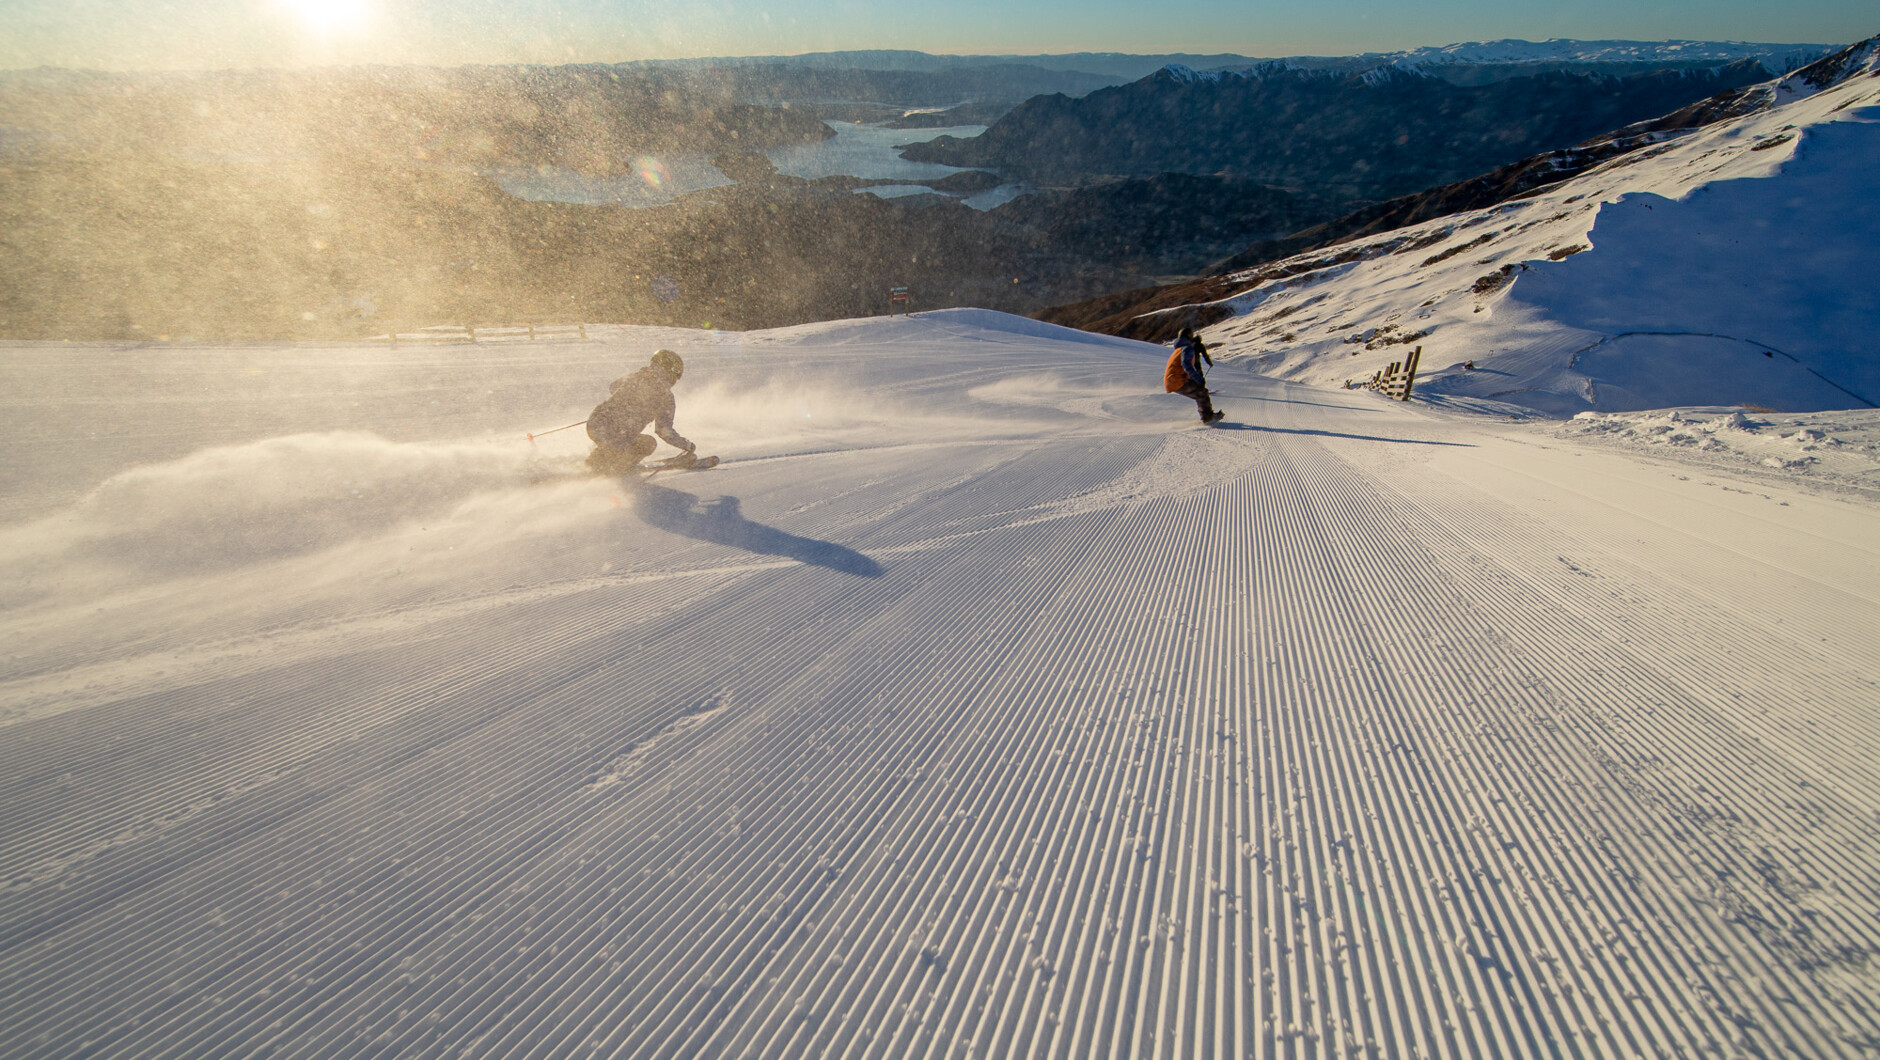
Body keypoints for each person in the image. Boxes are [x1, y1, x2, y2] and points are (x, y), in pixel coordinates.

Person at [586, 348, 696, 473]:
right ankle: (616, 468)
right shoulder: (665, 396)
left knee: (615, 442)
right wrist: (685, 445)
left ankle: (596, 462)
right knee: (647, 443)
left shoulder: (635, 376)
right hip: (619, 433)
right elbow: (663, 431)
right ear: (670, 373)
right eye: (676, 377)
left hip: (595, 423)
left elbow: (613, 387)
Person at [1164, 326, 1223, 424]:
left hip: (1172, 381)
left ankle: (1207, 416)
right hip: (1177, 380)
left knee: (1199, 393)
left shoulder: (1179, 349)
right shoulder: (1187, 348)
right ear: (1189, 336)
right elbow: (1186, 365)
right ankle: (1208, 417)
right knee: (1202, 393)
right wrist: (1198, 379)